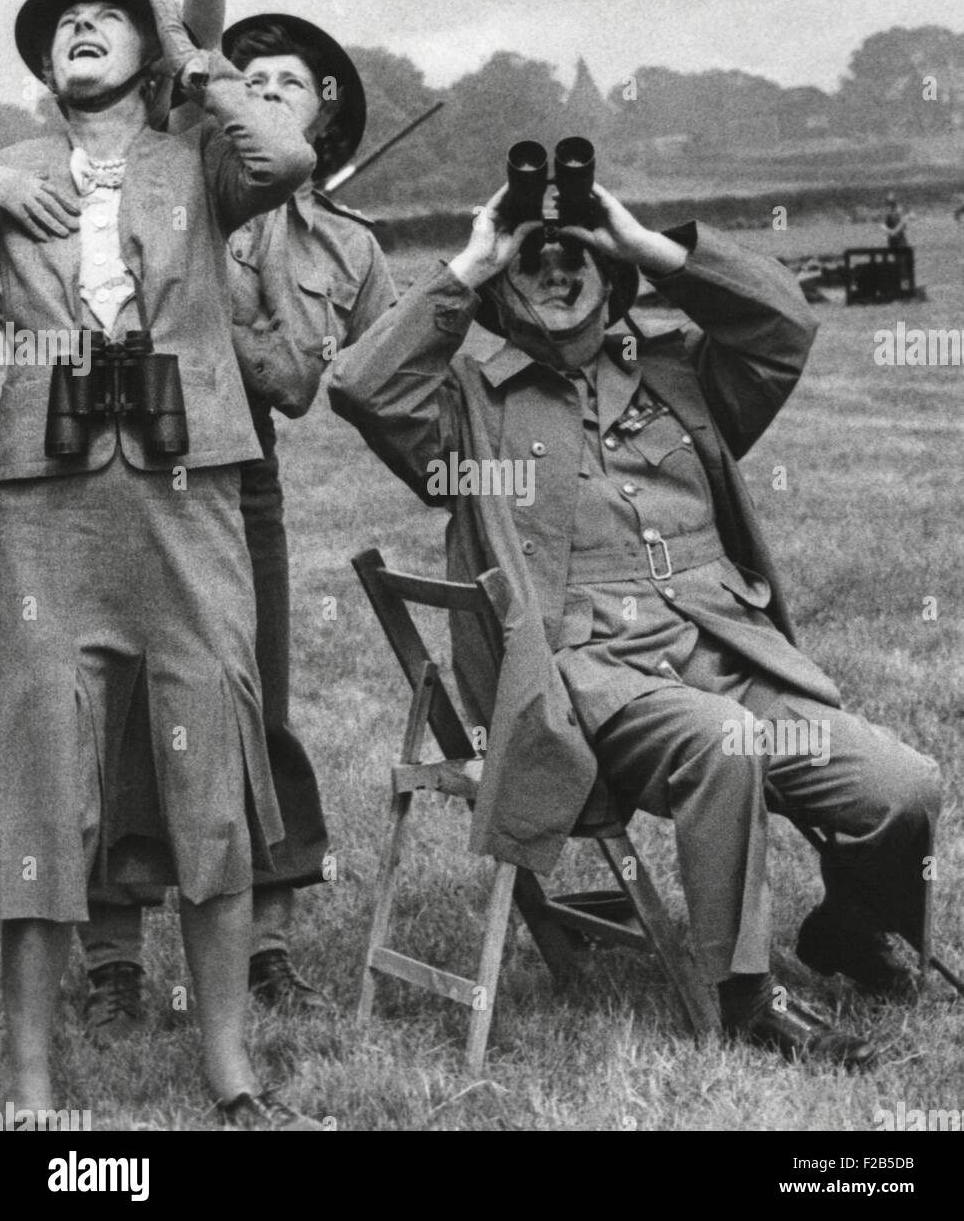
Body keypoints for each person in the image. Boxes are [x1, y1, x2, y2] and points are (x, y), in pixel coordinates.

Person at [328, 161, 941, 1067]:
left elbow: (783, 324)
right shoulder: (468, 413)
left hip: (725, 651)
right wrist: (468, 262)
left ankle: (848, 930)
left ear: (611, 274)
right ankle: (745, 998)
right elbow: (361, 387)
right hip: (592, 678)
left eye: (577, 251)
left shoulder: (685, 376)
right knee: (724, 745)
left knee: (900, 785)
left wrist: (652, 245)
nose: (558, 268)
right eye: (533, 257)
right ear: (504, 281)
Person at [75, 0, 398, 1040]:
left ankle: (262, 943)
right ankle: (111, 954)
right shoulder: (186, 161)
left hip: (238, 476)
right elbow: (192, 52)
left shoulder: (345, 245)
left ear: (326, 120)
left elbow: (352, 380)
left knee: (245, 706)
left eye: (291, 80)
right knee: (112, 713)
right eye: (247, 70)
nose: (262, 83)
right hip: (123, 455)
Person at [0, 0, 324, 1129]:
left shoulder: (197, 160)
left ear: (149, 52)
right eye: (61, 28)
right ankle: (28, 1087)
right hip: (42, 506)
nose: (81, 29)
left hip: (187, 495)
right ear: (43, 69)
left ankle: (229, 1069)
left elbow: (287, 159)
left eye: (107, 18)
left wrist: (200, 58)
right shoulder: (14, 174)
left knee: (210, 769)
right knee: (37, 784)